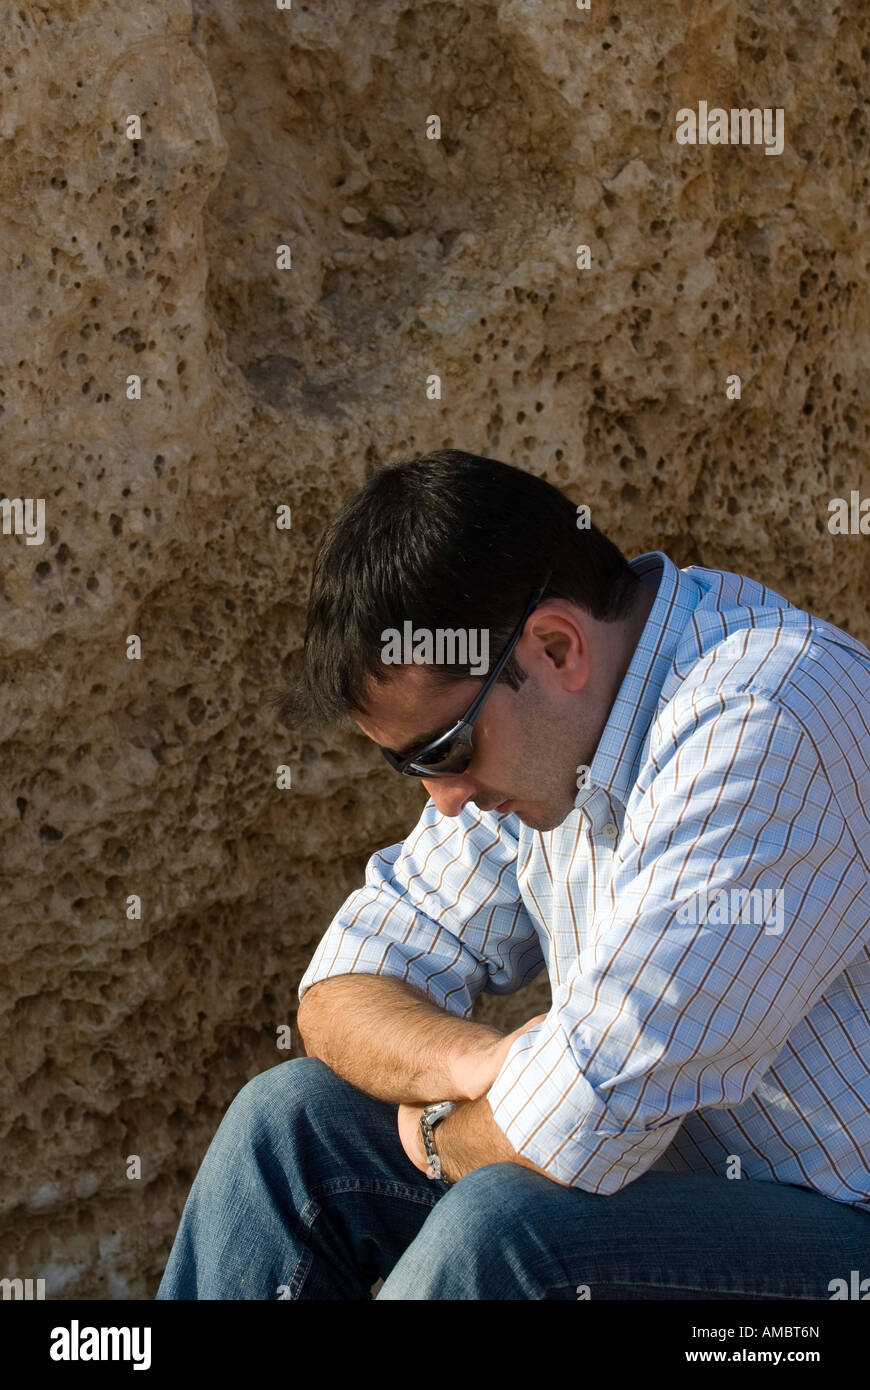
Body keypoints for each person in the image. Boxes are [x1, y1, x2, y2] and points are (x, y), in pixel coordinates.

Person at [156, 449, 870, 1300]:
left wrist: (434, 1139)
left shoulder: (764, 724)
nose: (443, 799)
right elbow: (341, 985)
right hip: (685, 1206)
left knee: (506, 1233)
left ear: (556, 647)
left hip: (841, 1246)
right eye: (407, 768)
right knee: (288, 1128)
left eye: (444, 750)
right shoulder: (549, 740)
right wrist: (469, 1063)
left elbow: (582, 1121)